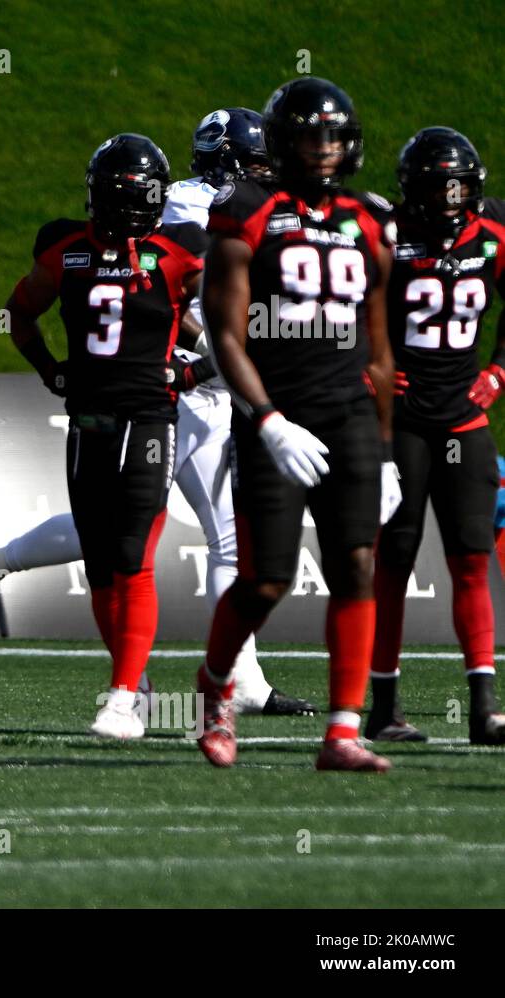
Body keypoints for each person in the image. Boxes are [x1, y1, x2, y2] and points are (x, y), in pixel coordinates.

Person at [0, 109, 316, 718]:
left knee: (213, 534)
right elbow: (172, 293)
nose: (266, 175)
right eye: (256, 163)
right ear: (228, 162)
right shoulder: (193, 212)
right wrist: (205, 355)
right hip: (160, 390)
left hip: (198, 385)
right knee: (126, 536)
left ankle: (238, 676)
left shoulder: (210, 209)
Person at [195, 77, 398, 772]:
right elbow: (226, 333)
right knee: (266, 580)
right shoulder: (247, 208)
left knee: (358, 565)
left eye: (334, 136)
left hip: (348, 414)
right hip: (274, 409)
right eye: (311, 135)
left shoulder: (370, 218)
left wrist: (390, 449)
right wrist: (269, 418)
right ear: (283, 142)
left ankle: (343, 731)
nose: (324, 149)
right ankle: (215, 689)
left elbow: (377, 347)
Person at [1, 134, 206, 738]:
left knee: (132, 555)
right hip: (89, 416)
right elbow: (19, 312)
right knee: (100, 563)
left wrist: (194, 370)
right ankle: (132, 684)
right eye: (116, 193)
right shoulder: (64, 249)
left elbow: (233, 324)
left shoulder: (177, 252)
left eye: (136, 193)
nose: (125, 204)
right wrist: (49, 369)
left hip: (149, 418)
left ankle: (121, 697)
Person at [366, 128, 505, 744]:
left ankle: (484, 707)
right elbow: (339, 307)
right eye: (439, 190)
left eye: (459, 191)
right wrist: (370, 369)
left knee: (472, 560)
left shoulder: (494, 232)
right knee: (393, 560)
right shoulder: (387, 236)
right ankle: (384, 707)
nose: (451, 203)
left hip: (466, 422)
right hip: (403, 427)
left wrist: (498, 370)